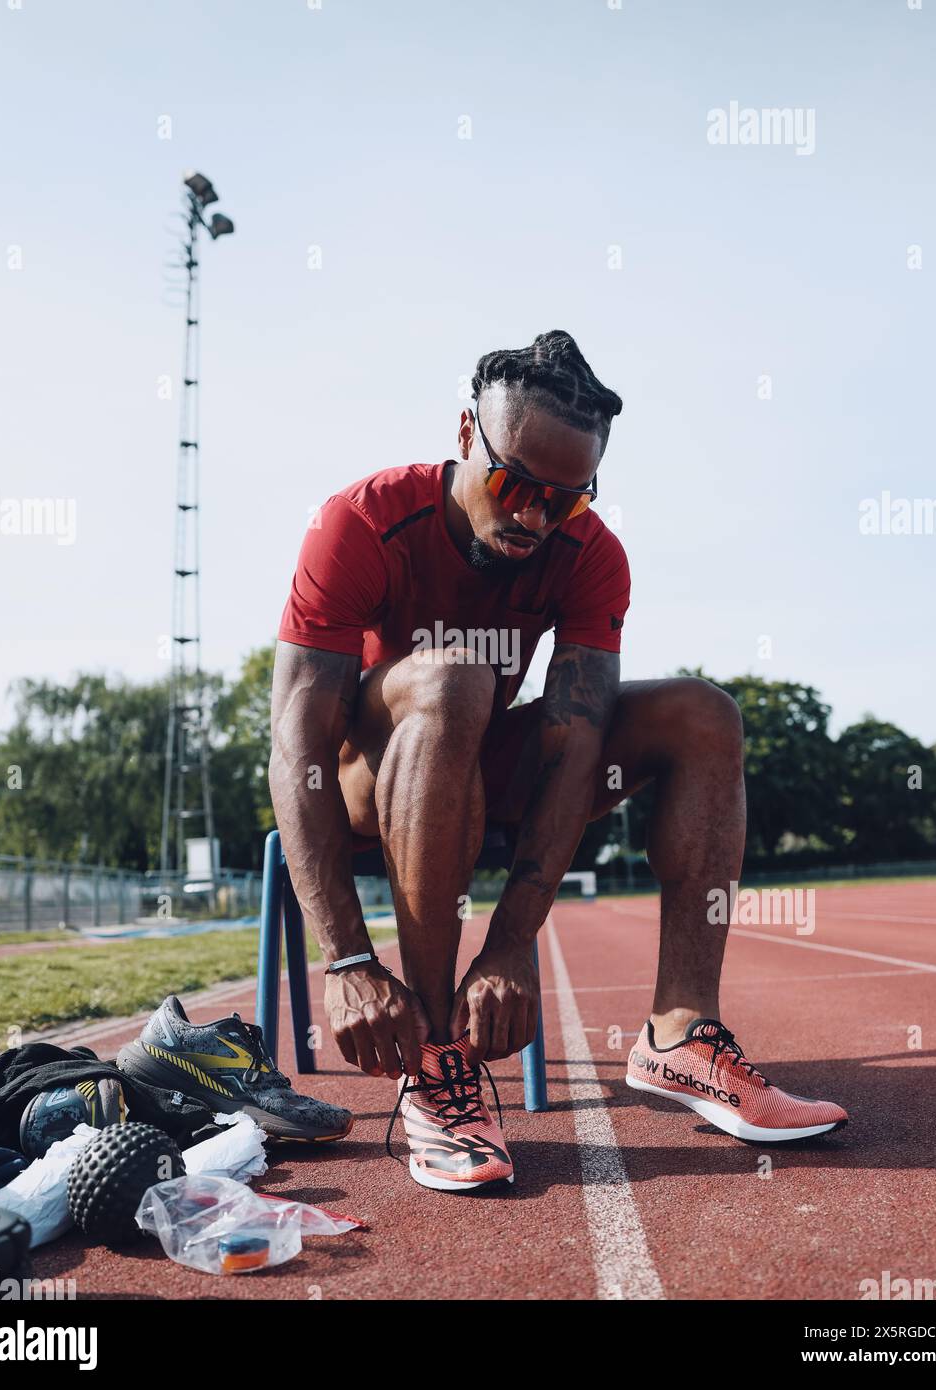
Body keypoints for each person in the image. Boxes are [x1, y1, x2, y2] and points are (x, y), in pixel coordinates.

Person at [269, 330, 847, 1192]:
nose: (536, 519)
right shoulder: (359, 522)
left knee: (703, 714)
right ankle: (437, 1055)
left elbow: (576, 747)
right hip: (369, 778)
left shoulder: (591, 555)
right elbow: (294, 746)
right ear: (468, 435)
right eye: (516, 487)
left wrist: (510, 943)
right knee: (456, 680)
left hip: (484, 768)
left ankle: (680, 1035)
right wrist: (349, 958)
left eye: (567, 500)